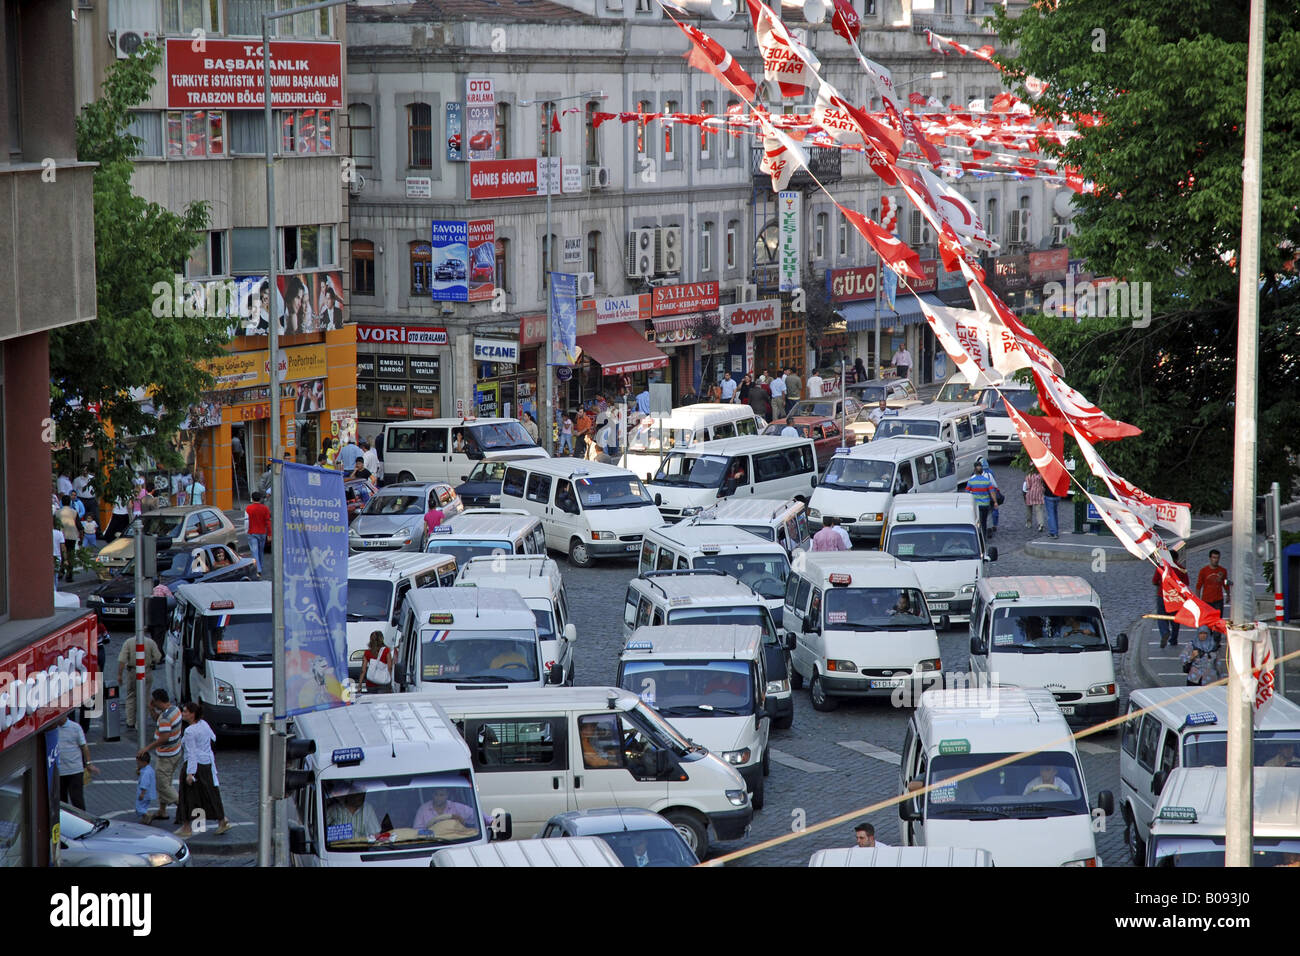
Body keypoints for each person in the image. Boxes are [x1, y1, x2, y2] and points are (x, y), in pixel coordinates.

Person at [176, 701, 231, 837]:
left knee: (187, 795)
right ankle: (221, 819)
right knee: (211, 792)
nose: (183, 714)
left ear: (192, 714)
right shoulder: (204, 724)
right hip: (207, 763)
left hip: (195, 765)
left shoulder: (189, 731)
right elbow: (213, 737)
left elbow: (192, 752)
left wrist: (190, 773)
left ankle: (186, 826)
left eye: (185, 712)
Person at [138, 689, 185, 824]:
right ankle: (162, 811)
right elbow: (159, 720)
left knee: (163, 786)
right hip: (175, 752)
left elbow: (163, 737)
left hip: (166, 756)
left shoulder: (165, 717)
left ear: (158, 701)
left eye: (154, 701)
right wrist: (152, 710)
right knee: (167, 781)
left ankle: (183, 807)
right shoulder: (175, 710)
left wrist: (147, 748)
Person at [117, 632, 163, 731]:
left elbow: (122, 660)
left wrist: (119, 675)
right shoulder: (150, 642)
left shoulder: (128, 642)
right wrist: (151, 661)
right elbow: (158, 657)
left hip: (132, 672)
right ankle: (140, 723)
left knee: (131, 696)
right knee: (145, 698)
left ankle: (130, 721)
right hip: (146, 671)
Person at [56, 715, 96, 810]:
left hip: (75, 771)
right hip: (59, 771)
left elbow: (84, 746)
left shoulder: (75, 727)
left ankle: (82, 821)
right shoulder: (53, 729)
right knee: (61, 802)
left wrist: (88, 763)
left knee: (77, 799)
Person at [1153, 547, 1190, 648]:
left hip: (1162, 595)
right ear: (1177, 559)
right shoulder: (1181, 569)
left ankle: (1164, 631)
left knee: (1161, 616)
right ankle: (1173, 639)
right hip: (1176, 597)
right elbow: (1186, 584)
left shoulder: (1161, 567)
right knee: (1175, 618)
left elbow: (1154, 581)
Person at [413, 788, 480, 831]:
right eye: (436, 794)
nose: (438, 797)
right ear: (432, 795)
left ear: (447, 795)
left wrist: (489, 821)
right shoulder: (423, 810)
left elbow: (477, 815)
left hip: (455, 841)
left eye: (441, 795)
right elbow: (417, 831)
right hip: (432, 842)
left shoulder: (456, 807)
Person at [964, 464, 997, 538]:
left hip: (976, 506)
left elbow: (967, 493)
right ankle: (984, 536)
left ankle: (978, 537)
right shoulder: (987, 481)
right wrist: (995, 502)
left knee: (977, 521)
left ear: (974, 471)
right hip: (985, 505)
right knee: (984, 521)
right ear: (982, 472)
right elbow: (992, 492)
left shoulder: (971, 481)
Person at [1197, 549, 1231, 616]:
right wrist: (1198, 600)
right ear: (1210, 558)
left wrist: (1228, 595)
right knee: (1207, 620)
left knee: (1218, 620)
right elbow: (1199, 586)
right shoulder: (1203, 571)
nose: (1216, 560)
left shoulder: (1223, 571)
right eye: (1214, 558)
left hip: (1218, 600)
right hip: (1206, 600)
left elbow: (1225, 583)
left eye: (1218, 558)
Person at [245, 490, 271, 577]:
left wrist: (246, 531)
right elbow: (268, 522)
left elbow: (246, 522)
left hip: (252, 532)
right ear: (260, 499)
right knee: (261, 551)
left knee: (254, 551)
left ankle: (258, 569)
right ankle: (261, 566)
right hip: (262, 533)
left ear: (252, 499)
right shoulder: (265, 508)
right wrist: (269, 534)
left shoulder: (248, 508)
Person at [57, 495, 80, 582]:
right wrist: (81, 534)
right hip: (71, 536)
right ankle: (69, 575)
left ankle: (61, 571)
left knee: (62, 554)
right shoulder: (74, 512)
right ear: (70, 502)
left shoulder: (57, 513)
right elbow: (78, 525)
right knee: (70, 555)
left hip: (61, 536)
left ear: (62, 502)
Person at [135, 753, 157, 825]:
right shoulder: (149, 769)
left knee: (139, 807)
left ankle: (148, 815)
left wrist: (142, 793)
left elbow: (145, 783)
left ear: (144, 762)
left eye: (138, 763)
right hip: (150, 793)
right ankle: (145, 819)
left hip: (145, 793)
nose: (137, 765)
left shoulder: (145, 773)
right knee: (144, 806)